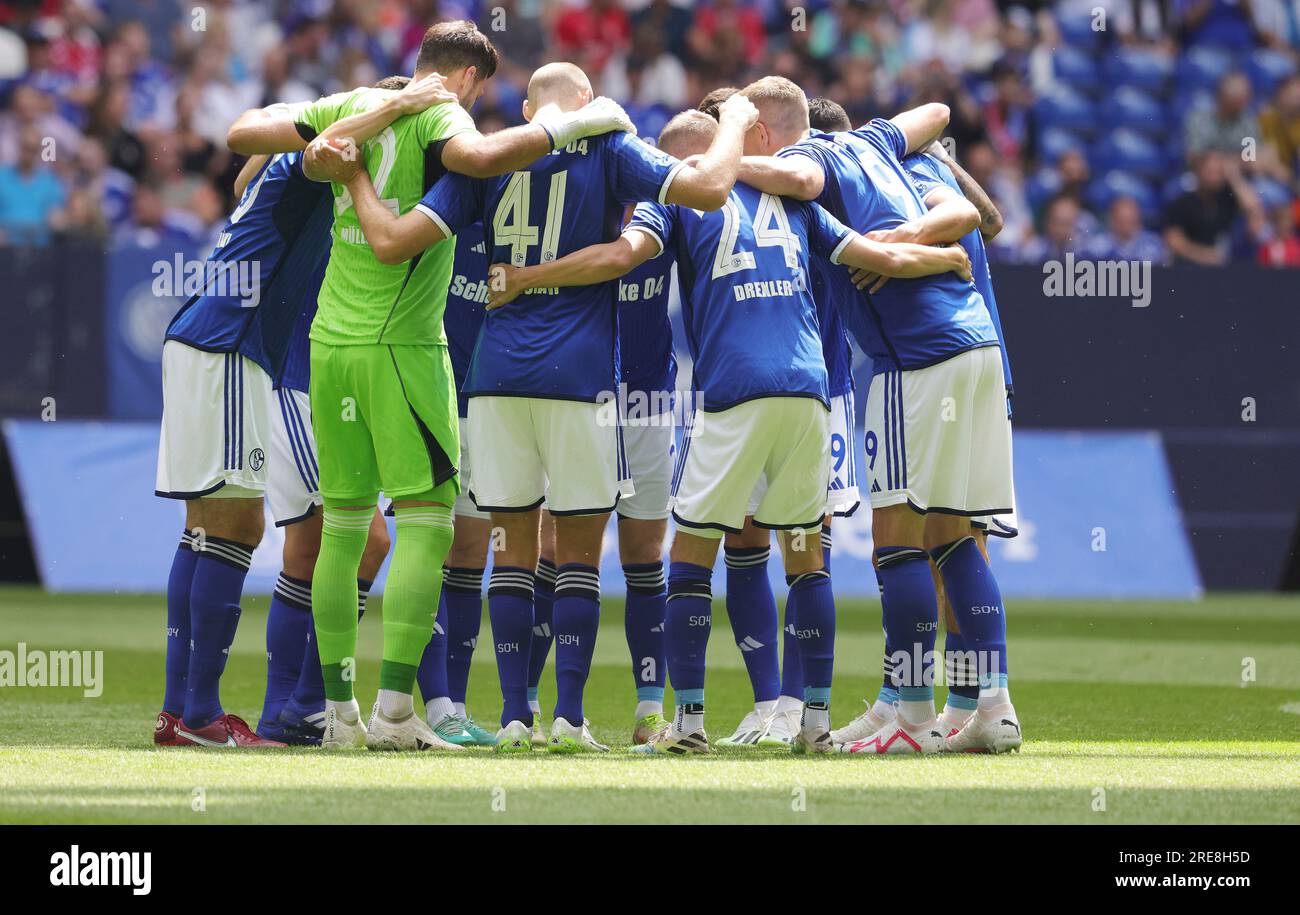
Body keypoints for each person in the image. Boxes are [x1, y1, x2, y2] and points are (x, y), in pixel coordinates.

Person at [486, 91, 972, 756]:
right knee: (806, 558)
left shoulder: (680, 194)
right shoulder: (796, 202)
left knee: (689, 557)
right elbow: (875, 256)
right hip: (807, 390)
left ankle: (686, 724)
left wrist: (528, 276)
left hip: (733, 390)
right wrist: (942, 256)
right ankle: (816, 724)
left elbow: (624, 255)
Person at [309, 61, 753, 752]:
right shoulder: (609, 145)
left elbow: (396, 240)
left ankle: (515, 716)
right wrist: (730, 123)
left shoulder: (486, 157)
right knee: (576, 556)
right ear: (586, 102)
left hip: (494, 377)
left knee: (510, 553)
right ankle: (570, 720)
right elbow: (710, 188)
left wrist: (355, 173)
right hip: (577, 379)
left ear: (526, 113)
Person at [225, 21, 638, 751]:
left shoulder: (351, 101)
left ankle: (338, 714)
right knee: (426, 521)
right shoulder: (441, 113)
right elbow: (481, 156)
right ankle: (393, 713)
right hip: (402, 346)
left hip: (330, 343)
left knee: (345, 528)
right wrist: (573, 121)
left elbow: (241, 134)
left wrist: (346, 135)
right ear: (471, 80)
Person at [737, 82, 1022, 755]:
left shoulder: (814, 165)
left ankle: (913, 711)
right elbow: (941, 114)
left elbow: (802, 174)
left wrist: (714, 163)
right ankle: (991, 705)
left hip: (914, 362)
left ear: (766, 134)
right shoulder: (878, 143)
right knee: (955, 538)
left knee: (898, 540)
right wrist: (925, 233)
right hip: (980, 346)